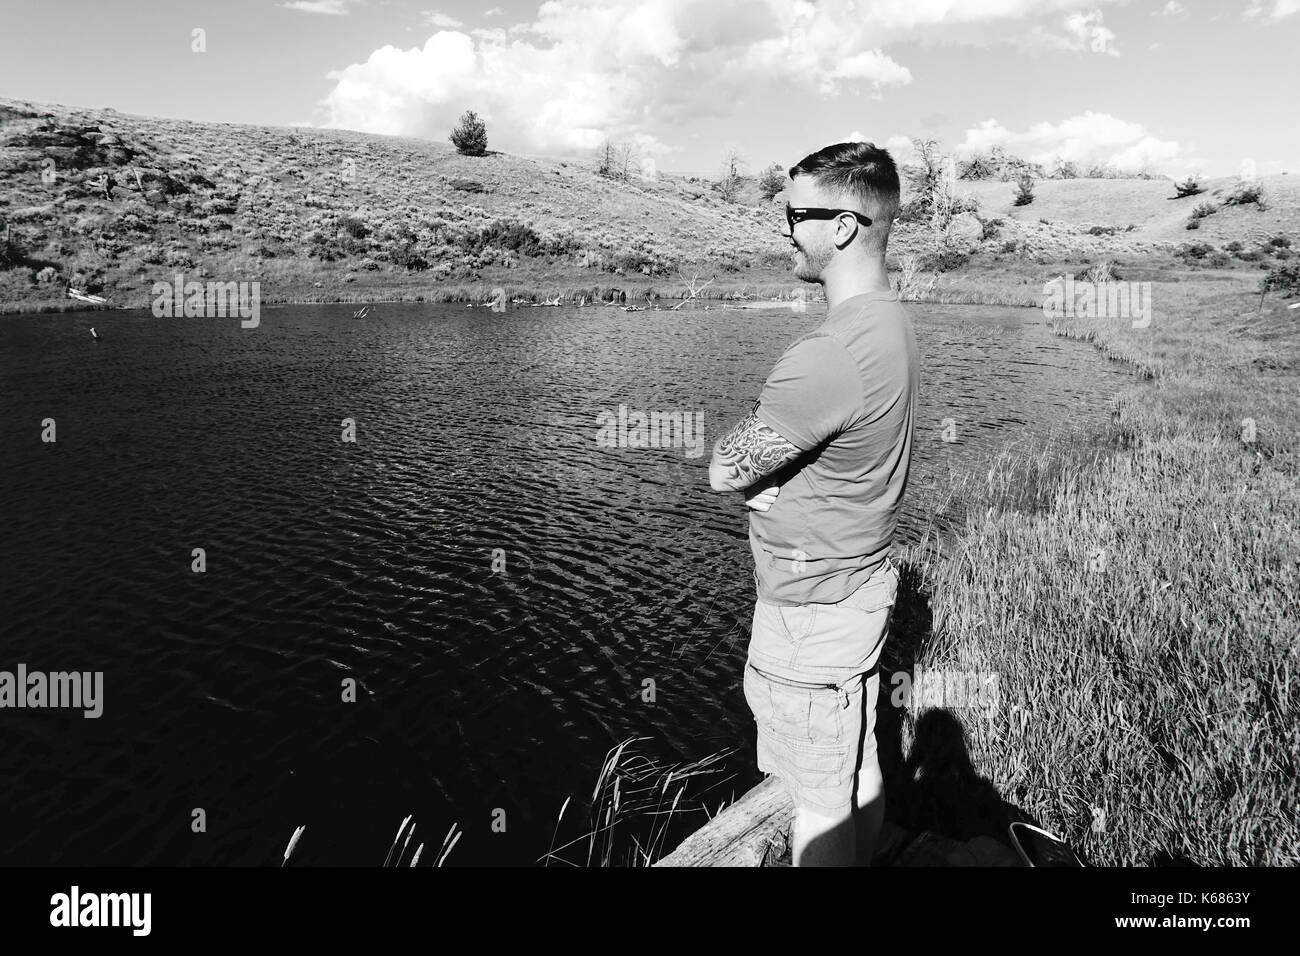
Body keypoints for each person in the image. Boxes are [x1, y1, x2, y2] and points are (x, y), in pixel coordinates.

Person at [708, 141, 919, 866]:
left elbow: (724, 469)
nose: (787, 229)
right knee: (857, 766)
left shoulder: (825, 354)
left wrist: (762, 476)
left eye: (797, 214)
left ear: (845, 225)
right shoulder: (890, 321)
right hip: (860, 589)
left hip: (810, 611)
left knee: (815, 803)